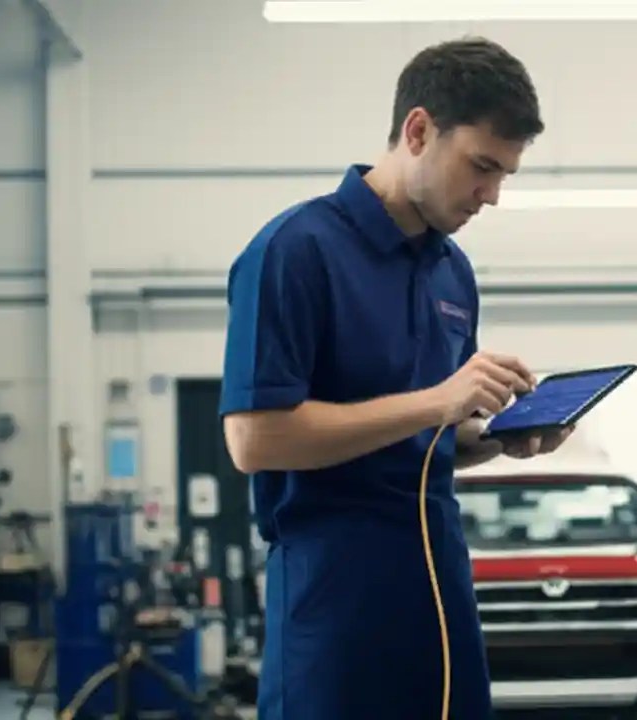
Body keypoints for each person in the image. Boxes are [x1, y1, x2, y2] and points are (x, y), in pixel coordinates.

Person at [218, 37, 570, 720]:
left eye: (506, 176)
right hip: (334, 596)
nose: (491, 195)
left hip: (439, 587)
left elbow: (434, 436)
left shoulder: (451, 272)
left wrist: (500, 434)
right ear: (417, 131)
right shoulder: (295, 251)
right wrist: (438, 400)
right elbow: (255, 440)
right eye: (481, 166)